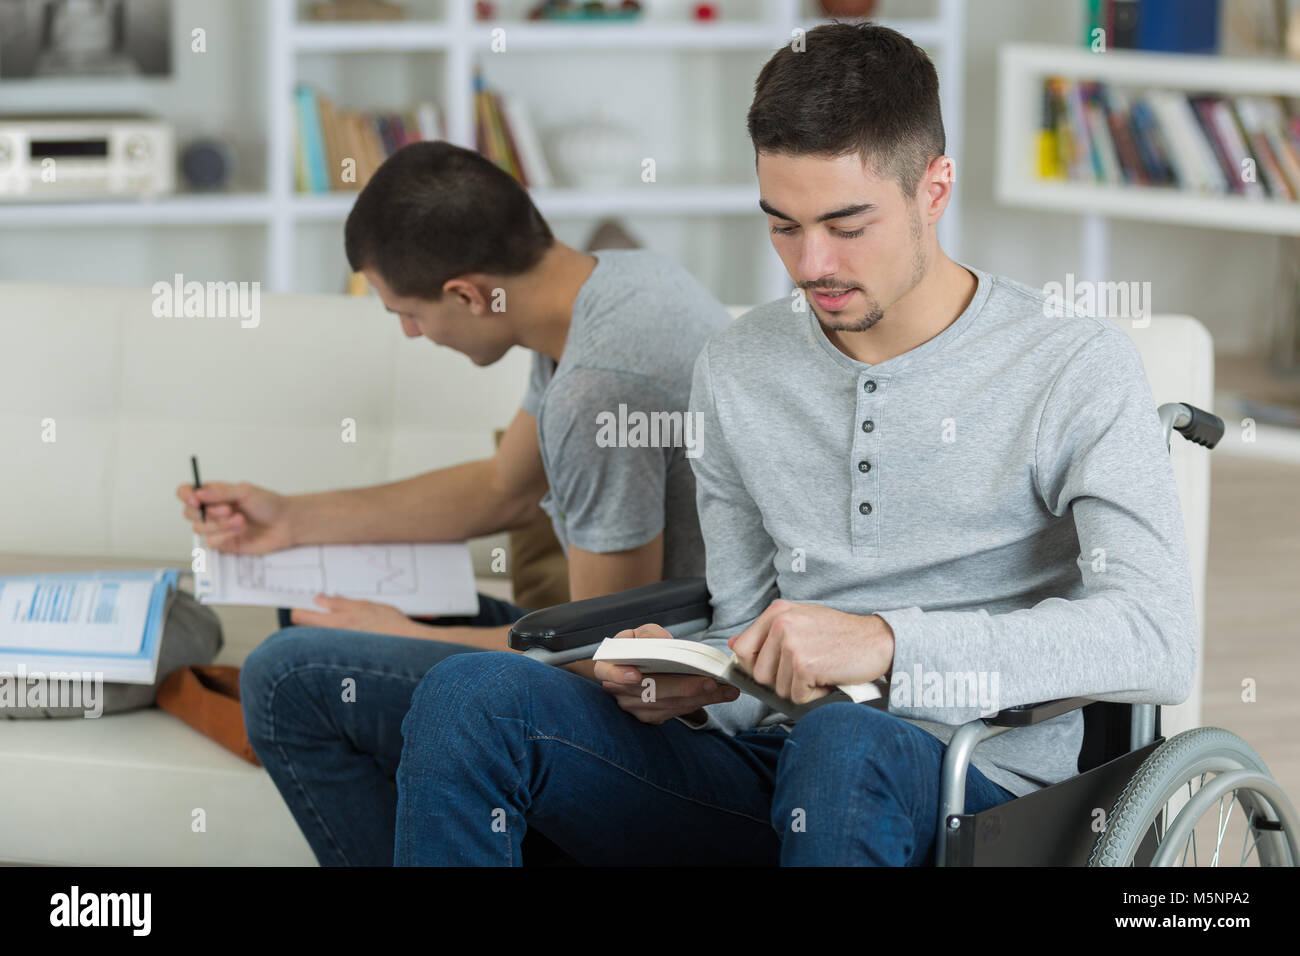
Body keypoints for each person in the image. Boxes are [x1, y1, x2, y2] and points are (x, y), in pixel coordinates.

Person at [393, 21, 1199, 866]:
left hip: (975, 793)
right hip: (775, 775)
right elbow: (745, 628)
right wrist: (707, 683)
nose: (811, 265)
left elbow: (1155, 638)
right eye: (783, 225)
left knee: (847, 743)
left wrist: (888, 642)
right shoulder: (738, 367)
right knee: (471, 695)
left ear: (934, 189)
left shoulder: (1071, 362)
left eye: (848, 226)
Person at [176, 141, 731, 865]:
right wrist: (290, 519)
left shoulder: (601, 386)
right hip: (620, 653)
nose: (410, 333)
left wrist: (400, 632)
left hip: (681, 720)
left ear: (466, 293)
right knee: (314, 607)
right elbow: (503, 487)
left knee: (290, 678)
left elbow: (609, 665)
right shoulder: (616, 286)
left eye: (408, 312)